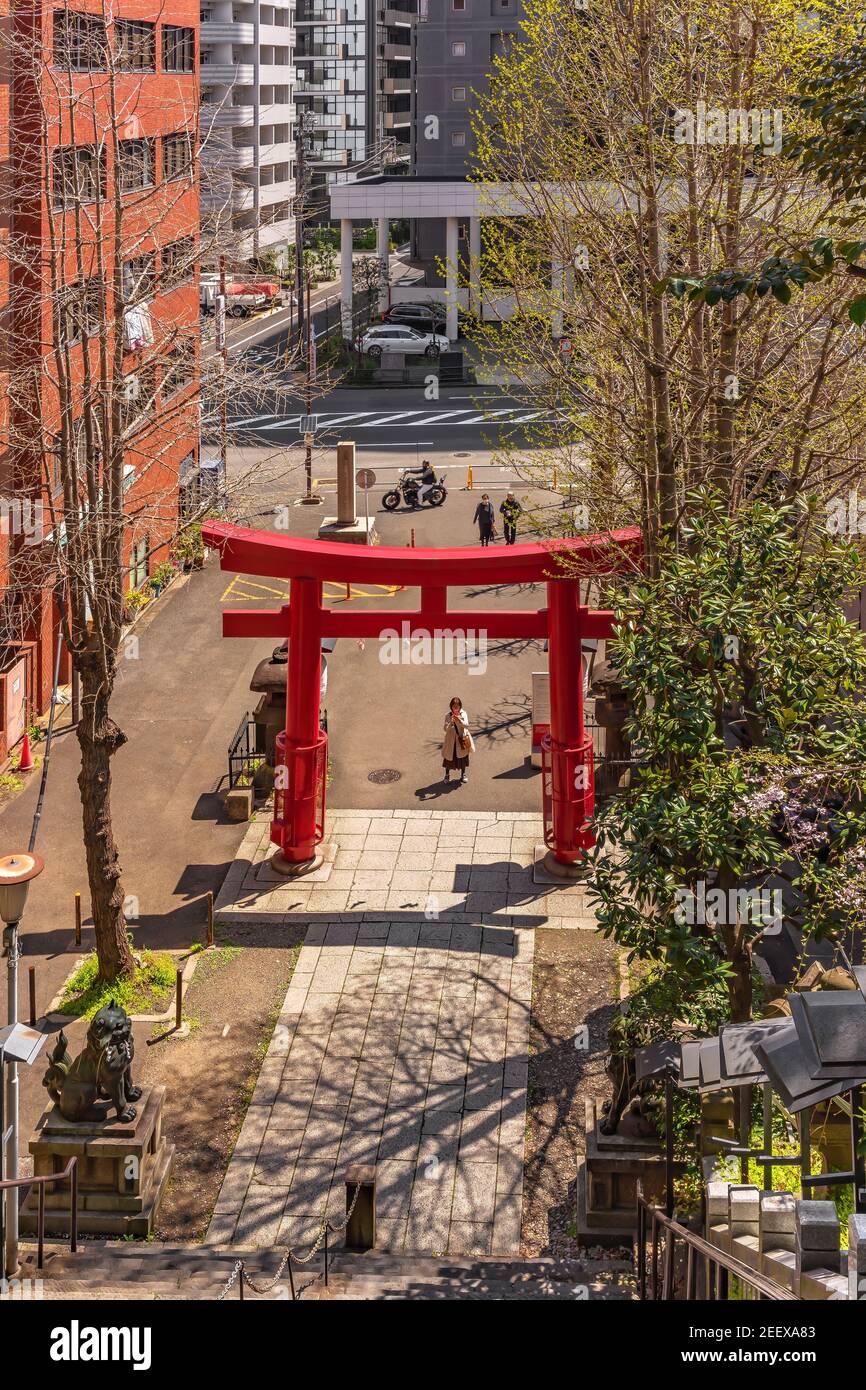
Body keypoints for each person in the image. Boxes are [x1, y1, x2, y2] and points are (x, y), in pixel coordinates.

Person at [441, 695, 475, 783]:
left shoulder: (464, 714)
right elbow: (445, 729)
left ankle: (463, 774)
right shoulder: (448, 716)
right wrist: (451, 723)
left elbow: (467, 725)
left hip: (461, 740)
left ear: (460, 706)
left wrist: (459, 721)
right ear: (451, 707)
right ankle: (447, 775)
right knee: (449, 759)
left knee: (462, 758)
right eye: (454, 707)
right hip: (451, 742)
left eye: (457, 707)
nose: (456, 709)